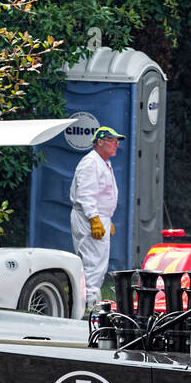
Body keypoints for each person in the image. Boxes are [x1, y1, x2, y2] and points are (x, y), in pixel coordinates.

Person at [70, 125, 124, 307]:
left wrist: (106, 217)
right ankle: (89, 305)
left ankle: (89, 301)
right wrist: (94, 218)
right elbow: (86, 193)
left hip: (99, 217)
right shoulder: (91, 163)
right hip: (89, 218)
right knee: (92, 263)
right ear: (99, 141)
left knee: (98, 262)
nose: (116, 145)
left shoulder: (103, 162)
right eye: (112, 141)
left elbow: (102, 193)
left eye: (117, 142)